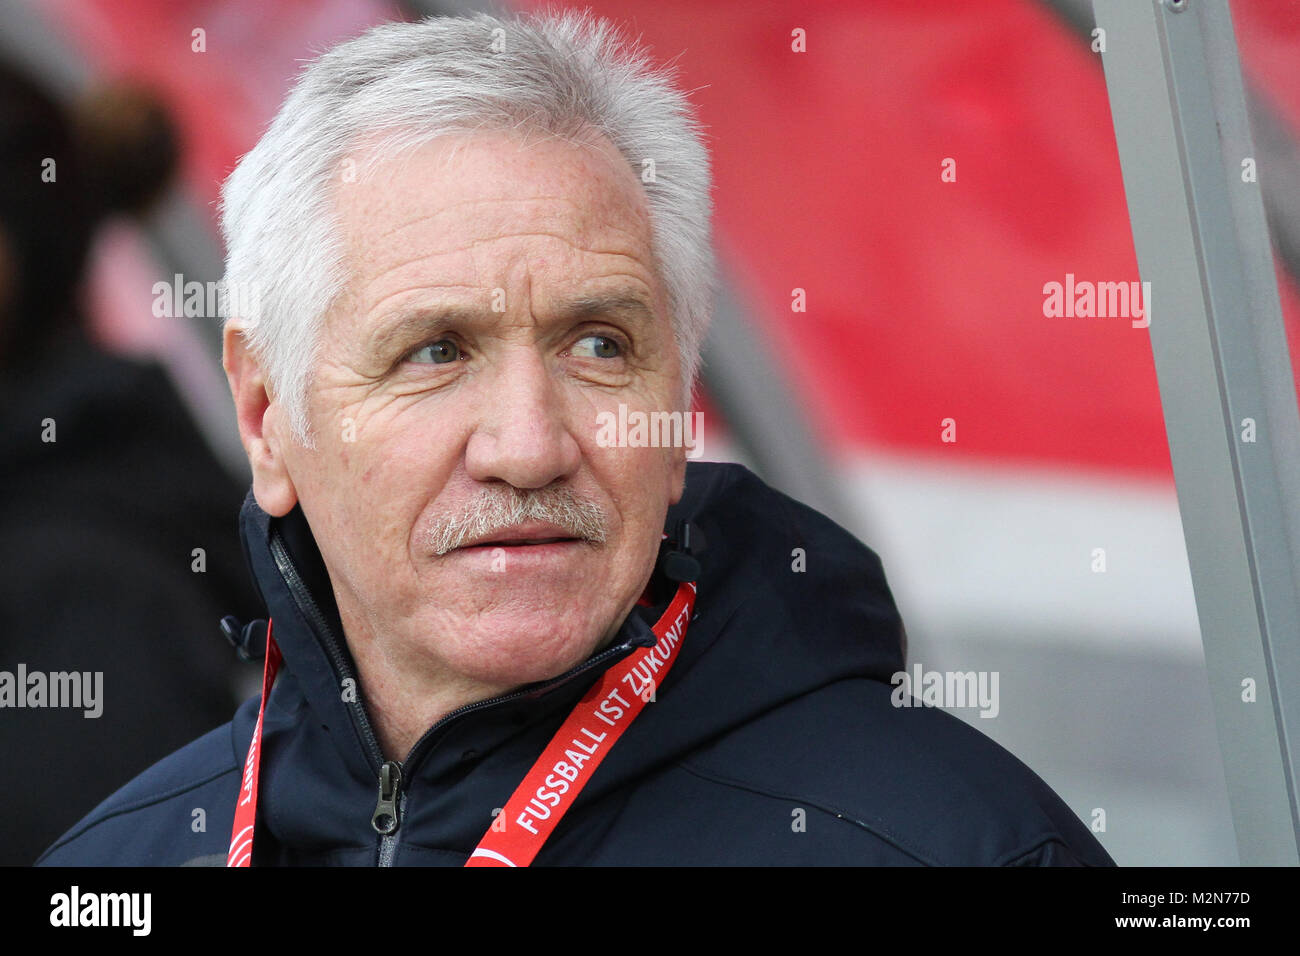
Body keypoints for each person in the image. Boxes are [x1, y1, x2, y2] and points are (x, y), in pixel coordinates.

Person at [38, 12, 1113, 867]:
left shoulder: (959, 842)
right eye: (434, 350)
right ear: (269, 419)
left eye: (598, 343)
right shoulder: (117, 860)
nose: (527, 444)